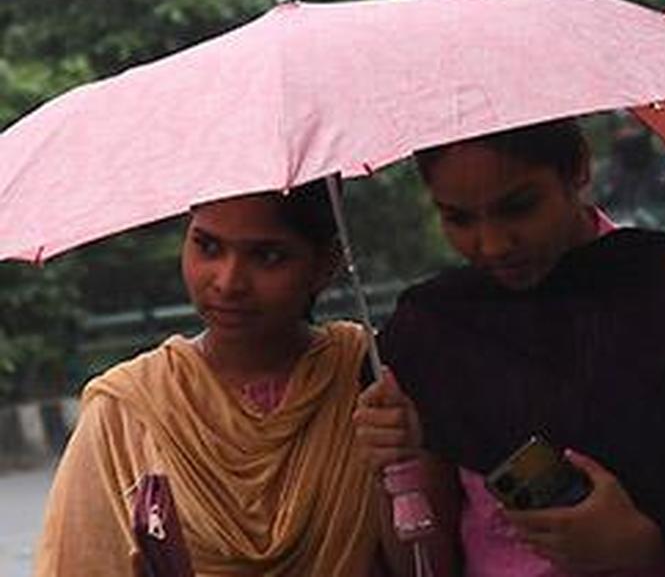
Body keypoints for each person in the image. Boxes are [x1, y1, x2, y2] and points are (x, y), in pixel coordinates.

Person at [359, 118, 665, 576]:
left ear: (578, 168)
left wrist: (642, 548)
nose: (492, 245)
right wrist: (395, 471)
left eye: (519, 207)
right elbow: (423, 561)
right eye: (459, 219)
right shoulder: (433, 334)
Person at [36, 181, 410, 575]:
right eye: (208, 247)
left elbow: (431, 563)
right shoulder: (128, 409)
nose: (229, 282)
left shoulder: (373, 383)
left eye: (267, 256)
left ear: (326, 263)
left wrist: (401, 468)